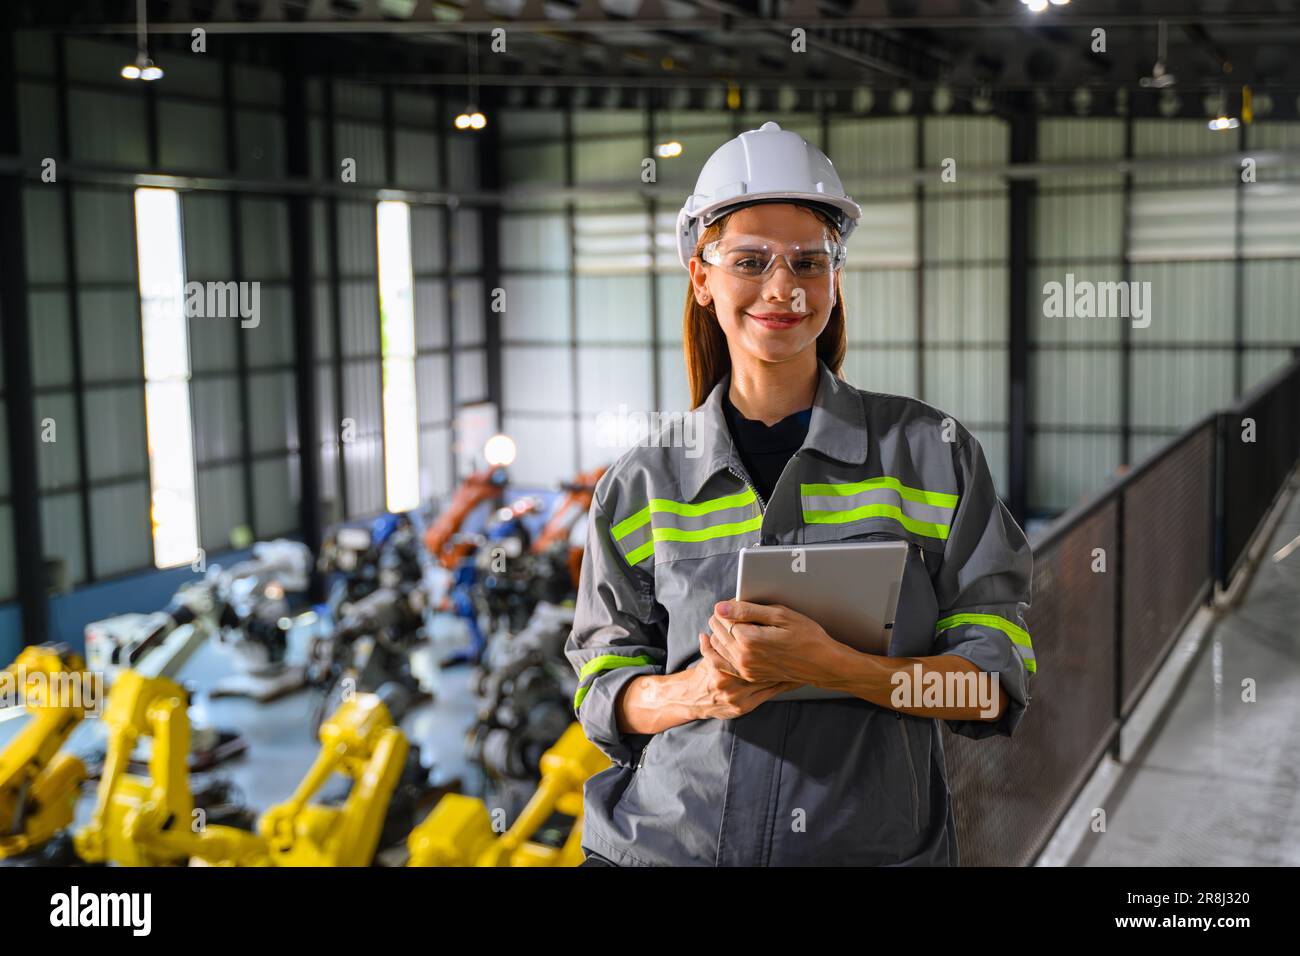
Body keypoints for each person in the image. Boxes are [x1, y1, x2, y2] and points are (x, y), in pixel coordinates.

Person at [566, 122, 1036, 866]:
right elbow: (602, 691)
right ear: (702, 278)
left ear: (835, 277)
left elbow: (988, 690)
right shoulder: (642, 484)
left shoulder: (930, 455)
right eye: (750, 261)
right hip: (664, 846)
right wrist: (697, 693)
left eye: (809, 263)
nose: (782, 289)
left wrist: (841, 669)